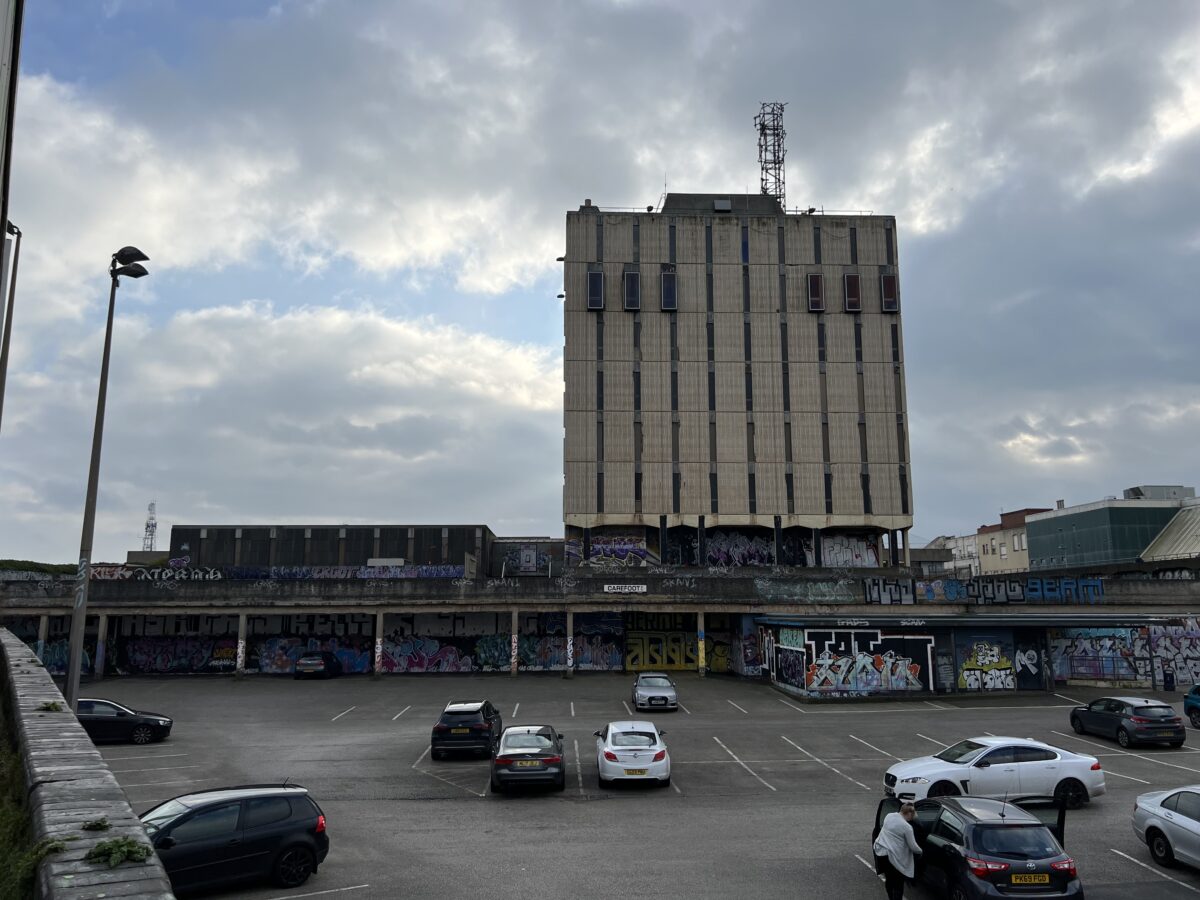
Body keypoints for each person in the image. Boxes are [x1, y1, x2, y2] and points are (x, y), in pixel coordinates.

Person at [873, 801, 922, 900]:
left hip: (882, 853)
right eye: (912, 815)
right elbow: (913, 846)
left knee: (889, 881)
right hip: (894, 858)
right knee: (898, 883)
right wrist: (921, 851)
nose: (912, 818)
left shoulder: (889, 816)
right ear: (908, 813)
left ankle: (891, 897)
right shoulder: (906, 827)